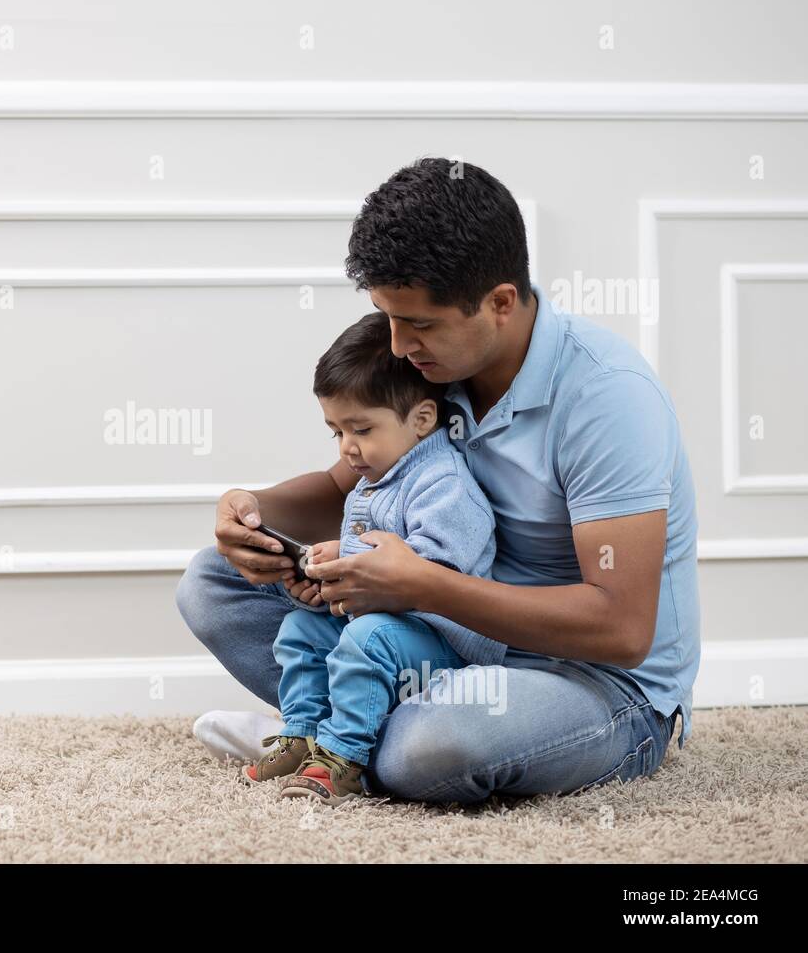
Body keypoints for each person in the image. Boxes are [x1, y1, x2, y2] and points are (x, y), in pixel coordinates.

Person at [176, 157, 698, 804]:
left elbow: (621, 630)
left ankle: (334, 738)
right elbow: (346, 486)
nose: (397, 346)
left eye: (418, 323)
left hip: (590, 678)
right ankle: (335, 736)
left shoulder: (607, 398)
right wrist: (253, 509)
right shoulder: (435, 368)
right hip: (441, 642)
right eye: (388, 318)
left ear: (500, 303)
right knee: (211, 581)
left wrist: (424, 584)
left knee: (430, 751)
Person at [240, 311, 505, 806]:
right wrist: (329, 580)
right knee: (300, 629)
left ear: (422, 419)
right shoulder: (375, 477)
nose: (347, 448)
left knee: (364, 639)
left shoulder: (445, 485)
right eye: (335, 432)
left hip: (447, 640)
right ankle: (304, 735)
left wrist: (353, 560)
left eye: (361, 429)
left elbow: (436, 577)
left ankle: (344, 758)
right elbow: (372, 567)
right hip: (386, 626)